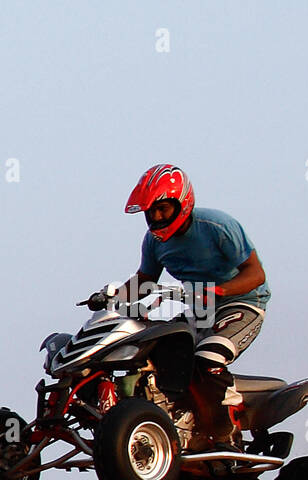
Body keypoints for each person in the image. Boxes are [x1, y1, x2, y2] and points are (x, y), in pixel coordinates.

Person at [111, 164, 270, 448]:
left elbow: (256, 274)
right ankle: (180, 427)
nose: (157, 217)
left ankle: (226, 435)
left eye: (163, 209)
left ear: (182, 203)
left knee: (208, 359)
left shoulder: (218, 226)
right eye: (151, 211)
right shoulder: (154, 242)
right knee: (156, 360)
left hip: (243, 303)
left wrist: (219, 289)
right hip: (199, 310)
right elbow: (143, 280)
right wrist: (111, 296)